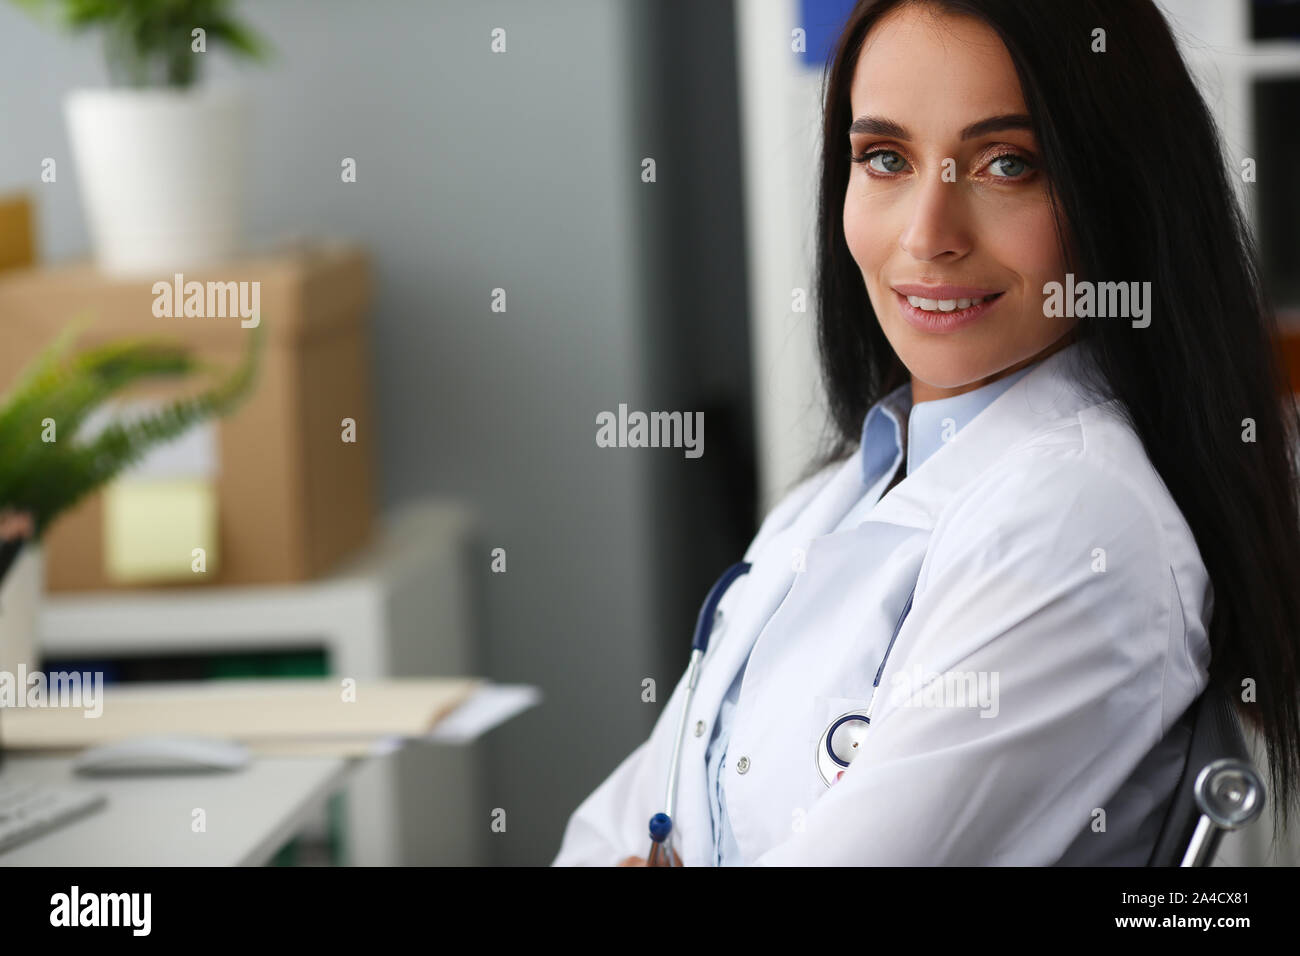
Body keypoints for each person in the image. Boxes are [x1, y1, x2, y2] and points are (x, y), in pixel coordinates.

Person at [553, 0, 1300, 865]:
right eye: (883, 158)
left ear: (1121, 192)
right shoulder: (851, 483)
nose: (926, 235)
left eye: (1006, 164)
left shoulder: (1079, 526)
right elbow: (608, 829)